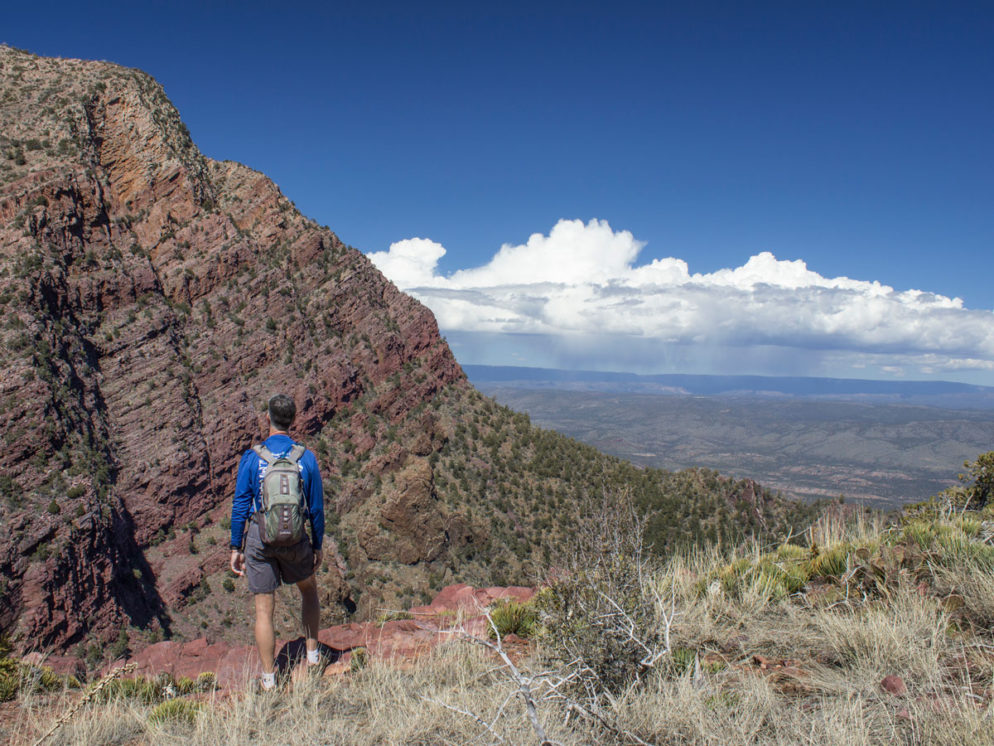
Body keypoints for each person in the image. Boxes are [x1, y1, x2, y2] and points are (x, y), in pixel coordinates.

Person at [230, 393, 325, 690]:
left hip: (261, 537)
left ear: (268, 418)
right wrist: (317, 544)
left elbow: (240, 506)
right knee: (308, 590)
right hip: (296, 537)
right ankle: (312, 658)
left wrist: (236, 546)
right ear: (293, 419)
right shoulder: (305, 458)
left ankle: (270, 680)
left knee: (263, 609)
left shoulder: (252, 458)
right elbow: (316, 507)